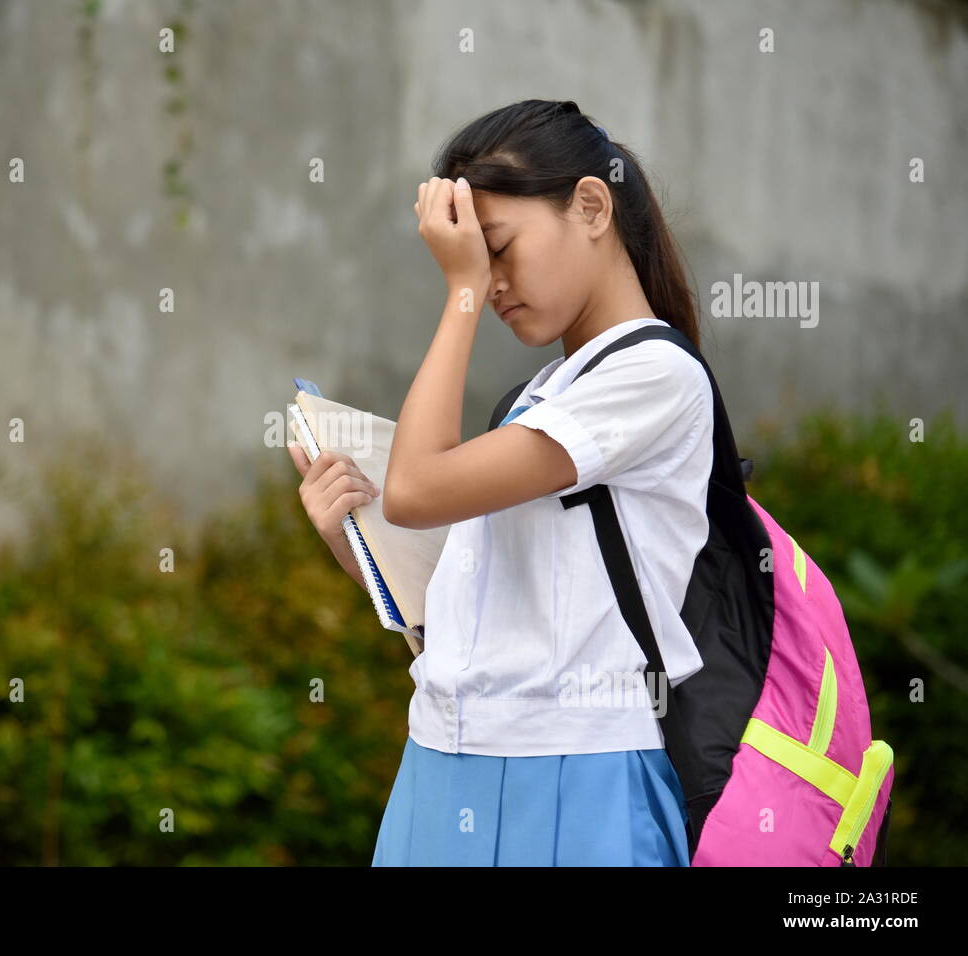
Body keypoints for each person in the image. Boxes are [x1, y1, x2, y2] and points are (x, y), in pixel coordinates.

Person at [288, 99, 713, 865]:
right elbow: (455, 628)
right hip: (438, 764)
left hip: (577, 774)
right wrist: (352, 536)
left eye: (495, 250)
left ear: (591, 205)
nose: (487, 285)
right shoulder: (540, 398)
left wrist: (455, 294)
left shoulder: (657, 375)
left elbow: (416, 492)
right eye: (473, 264)